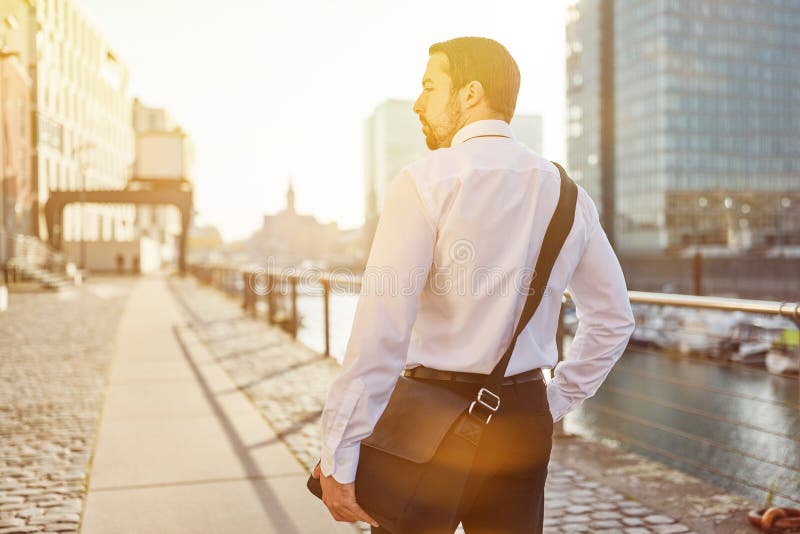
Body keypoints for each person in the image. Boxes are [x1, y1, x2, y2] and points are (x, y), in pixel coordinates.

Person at [312, 36, 635, 533]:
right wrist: (552, 402)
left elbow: (381, 330)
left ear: (470, 93)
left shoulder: (426, 182)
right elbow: (613, 319)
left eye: (429, 86)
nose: (418, 102)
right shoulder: (568, 195)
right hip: (523, 421)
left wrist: (339, 452)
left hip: (427, 422)